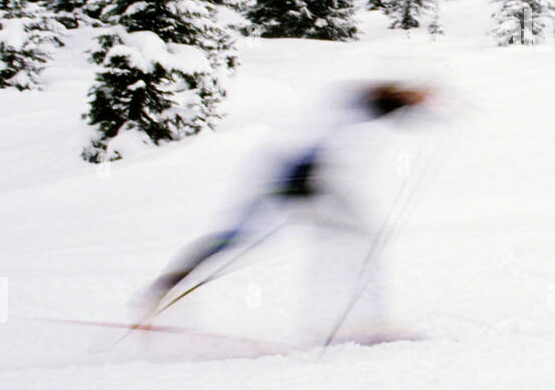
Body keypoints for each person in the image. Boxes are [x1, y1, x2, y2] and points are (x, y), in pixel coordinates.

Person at [133, 81, 434, 344]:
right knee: (243, 239)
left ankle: (160, 292)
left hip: (303, 181)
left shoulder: (360, 111)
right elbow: (375, 108)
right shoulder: (363, 109)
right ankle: (161, 293)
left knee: (353, 239)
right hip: (295, 179)